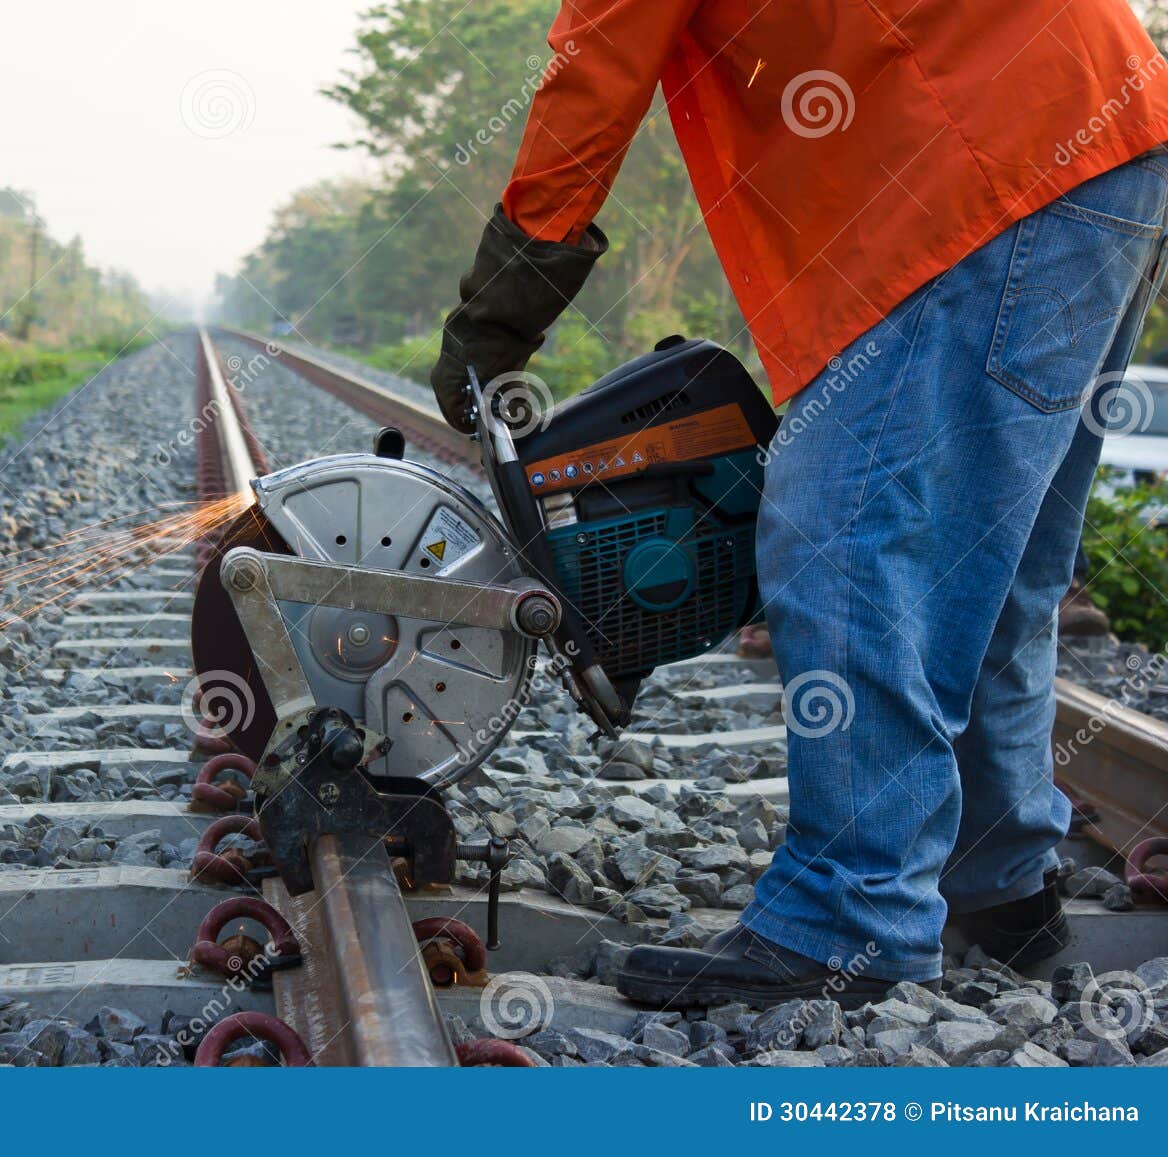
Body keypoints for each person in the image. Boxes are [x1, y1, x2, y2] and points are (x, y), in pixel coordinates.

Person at [432, 1, 1168, 1007]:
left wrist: (497, 311)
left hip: (983, 152)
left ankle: (850, 917)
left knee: (845, 535)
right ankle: (1002, 892)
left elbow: (598, 67)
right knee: (996, 565)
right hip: (1090, 128)